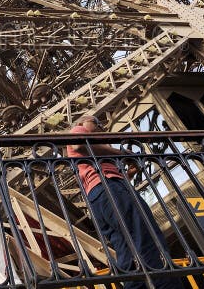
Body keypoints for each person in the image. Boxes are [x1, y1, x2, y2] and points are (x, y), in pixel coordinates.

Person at [67, 115, 183, 289]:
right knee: (147, 236)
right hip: (109, 187)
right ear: (82, 122)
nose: (100, 127)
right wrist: (120, 154)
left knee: (126, 251)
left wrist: (127, 174)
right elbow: (80, 145)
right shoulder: (79, 130)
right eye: (97, 123)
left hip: (98, 196)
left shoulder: (93, 153)